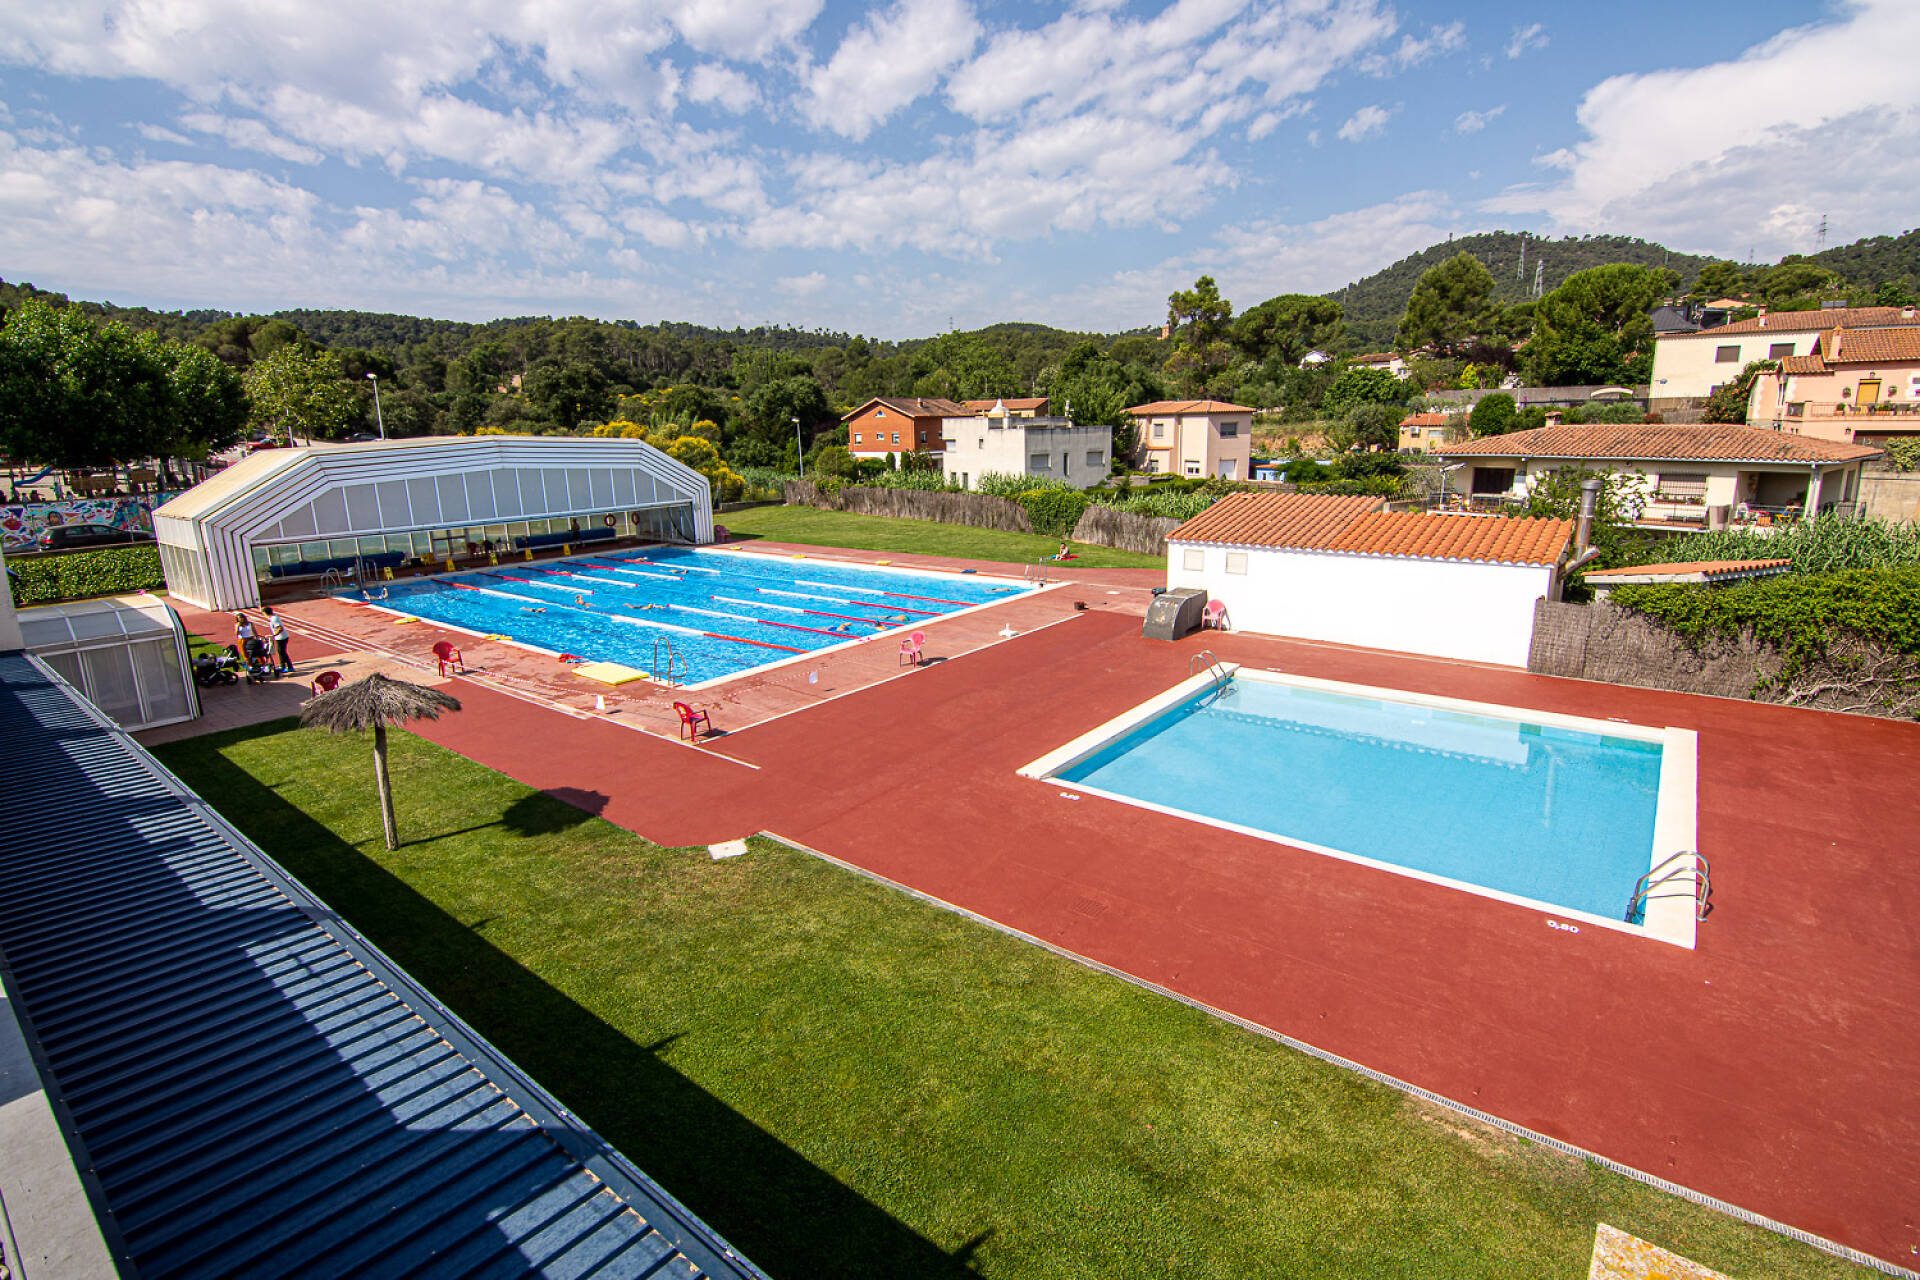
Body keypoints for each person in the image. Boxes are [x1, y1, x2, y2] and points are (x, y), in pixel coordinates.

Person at [262, 605, 293, 674]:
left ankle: (283, 666)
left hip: (281, 638)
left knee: (281, 652)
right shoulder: (274, 617)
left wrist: (273, 635)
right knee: (282, 652)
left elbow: (280, 628)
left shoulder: (274, 619)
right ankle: (289, 666)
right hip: (280, 637)